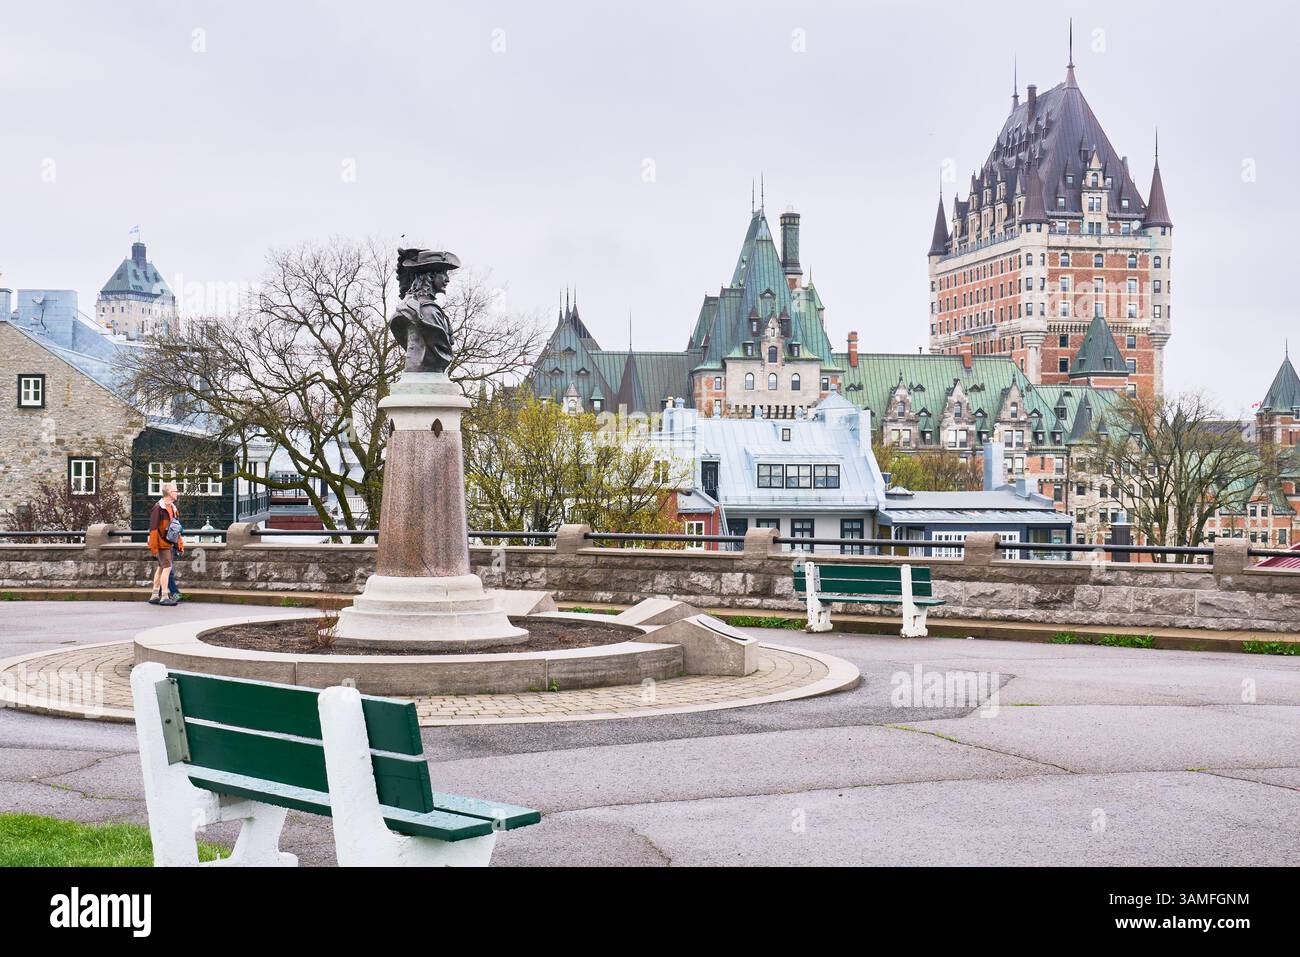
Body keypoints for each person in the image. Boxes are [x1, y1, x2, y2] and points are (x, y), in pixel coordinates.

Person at [148, 483, 184, 606]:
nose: (177, 493)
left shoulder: (173, 508)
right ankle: (164, 596)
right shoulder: (158, 508)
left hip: (169, 544)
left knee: (161, 568)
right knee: (167, 568)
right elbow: (153, 530)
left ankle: (154, 595)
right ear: (169, 493)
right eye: (175, 491)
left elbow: (176, 528)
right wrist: (154, 548)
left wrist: (179, 544)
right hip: (162, 544)